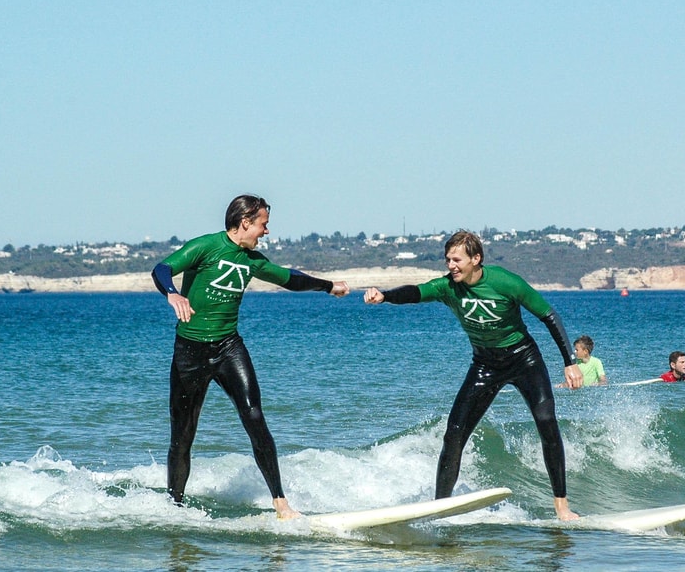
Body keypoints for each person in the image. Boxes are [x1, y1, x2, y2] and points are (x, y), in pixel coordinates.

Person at [151, 195, 350, 519]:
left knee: (254, 417)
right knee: (183, 436)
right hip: (190, 351)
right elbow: (162, 268)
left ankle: (281, 504)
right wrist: (172, 293)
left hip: (229, 347)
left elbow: (290, 278)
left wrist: (328, 286)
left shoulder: (252, 261)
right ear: (245, 222)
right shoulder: (206, 246)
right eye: (263, 224)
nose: (266, 231)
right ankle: (175, 506)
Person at [363, 230, 584, 521]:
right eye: (448, 260)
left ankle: (562, 507)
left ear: (475, 259)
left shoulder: (505, 282)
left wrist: (569, 362)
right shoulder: (447, 288)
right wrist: (385, 296)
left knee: (547, 424)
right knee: (453, 435)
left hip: (524, 360)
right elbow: (416, 292)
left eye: (457, 259)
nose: (450, 265)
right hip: (485, 365)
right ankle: (439, 508)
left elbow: (548, 315)